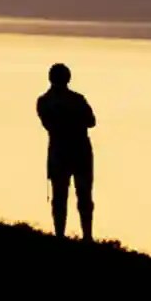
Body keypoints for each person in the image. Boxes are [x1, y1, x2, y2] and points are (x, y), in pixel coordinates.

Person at [36, 63, 96, 241]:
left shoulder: (46, 101)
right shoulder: (73, 100)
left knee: (70, 196)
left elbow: (91, 121)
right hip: (71, 151)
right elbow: (89, 121)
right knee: (69, 196)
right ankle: (77, 236)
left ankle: (76, 236)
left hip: (67, 152)